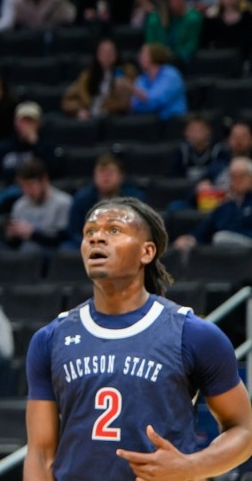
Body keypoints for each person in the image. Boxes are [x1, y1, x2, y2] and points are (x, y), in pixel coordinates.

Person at [24, 197, 252, 481]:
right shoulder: (50, 338)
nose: (97, 238)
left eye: (114, 230)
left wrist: (192, 467)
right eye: (90, 232)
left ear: (147, 252)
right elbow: (40, 453)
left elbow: (244, 430)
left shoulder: (193, 334)